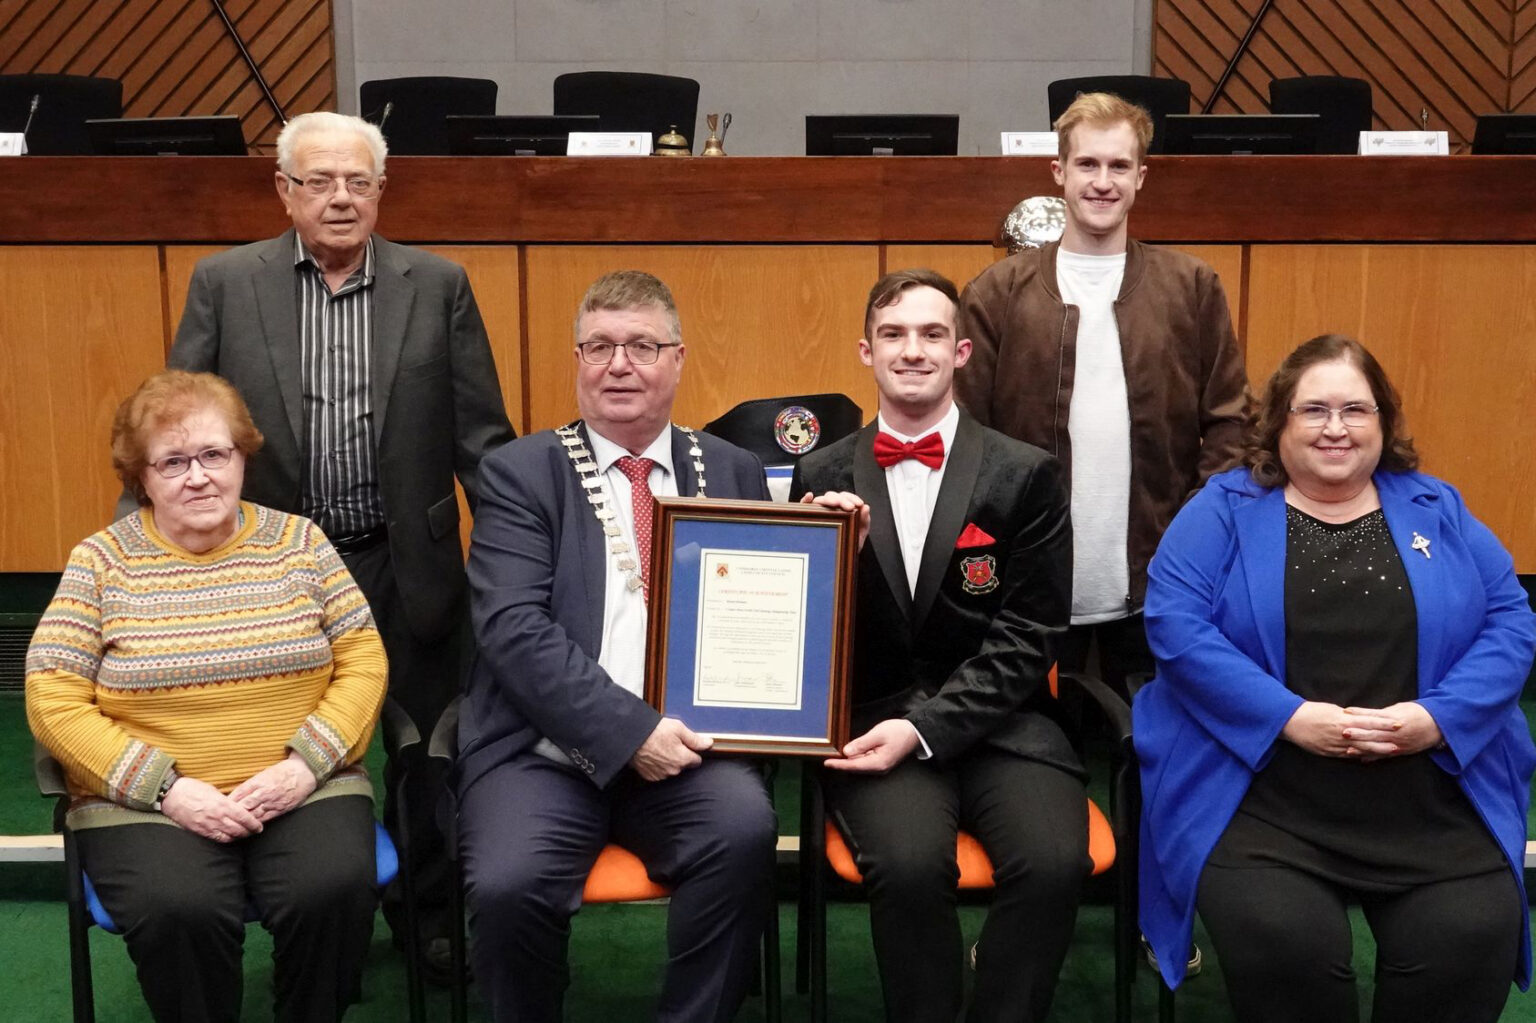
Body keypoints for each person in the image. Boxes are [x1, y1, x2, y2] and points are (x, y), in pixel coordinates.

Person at [160, 110, 516, 969]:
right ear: (284, 191)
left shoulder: (438, 284)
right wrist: (148, 557)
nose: (341, 197)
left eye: (358, 181)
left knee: (426, 750)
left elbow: (481, 437)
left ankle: (428, 917)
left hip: (405, 562)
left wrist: (521, 555)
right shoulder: (224, 283)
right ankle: (323, 927)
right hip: (270, 573)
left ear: (382, 190)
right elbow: (175, 425)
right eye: (319, 181)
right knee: (292, 744)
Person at [1135, 334, 1536, 1022]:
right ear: (1278, 422)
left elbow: (1511, 619)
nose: (1336, 427)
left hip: (1429, 799)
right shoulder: (1222, 509)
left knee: (1468, 938)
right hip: (1262, 799)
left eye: (1356, 409)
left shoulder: (1437, 506)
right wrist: (1288, 718)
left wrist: (1438, 719)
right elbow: (1176, 625)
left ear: (1383, 421)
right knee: (1286, 946)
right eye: (1314, 409)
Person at [456, 270, 778, 1022]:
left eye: (641, 346)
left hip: (687, 756)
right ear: (578, 360)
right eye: (598, 346)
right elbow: (512, 628)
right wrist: (630, 733)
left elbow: (765, 604)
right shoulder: (521, 472)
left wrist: (832, 544)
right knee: (508, 884)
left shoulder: (732, 469)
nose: (619, 365)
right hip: (542, 751)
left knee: (743, 832)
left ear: (678, 359)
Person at [28, 370, 387, 1022]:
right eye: (172, 462)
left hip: (302, 781)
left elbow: (362, 659)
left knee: (330, 888)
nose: (197, 477)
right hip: (147, 802)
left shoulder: (301, 544)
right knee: (180, 907)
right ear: (141, 477)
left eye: (214, 454)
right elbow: (54, 694)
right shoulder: (100, 562)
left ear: (242, 456)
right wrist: (165, 787)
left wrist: (306, 764)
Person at [792, 269, 1083, 1022]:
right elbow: (809, 636)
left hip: (1004, 725)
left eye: (931, 334)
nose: (912, 350)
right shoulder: (819, 473)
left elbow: (1031, 635)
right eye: (893, 334)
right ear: (866, 351)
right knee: (911, 868)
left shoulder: (1026, 473)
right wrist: (840, 560)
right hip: (873, 723)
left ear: (960, 351)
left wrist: (925, 728)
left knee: (1054, 862)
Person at [955, 91, 1248, 698]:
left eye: (1119, 166)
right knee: (1040, 745)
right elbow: (965, 432)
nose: (1103, 182)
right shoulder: (996, 293)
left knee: (1145, 742)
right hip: (1024, 583)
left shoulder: (1192, 287)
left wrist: (1192, 532)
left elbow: (1230, 423)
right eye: (1087, 164)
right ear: (1058, 172)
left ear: (1141, 177)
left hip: (1159, 577)